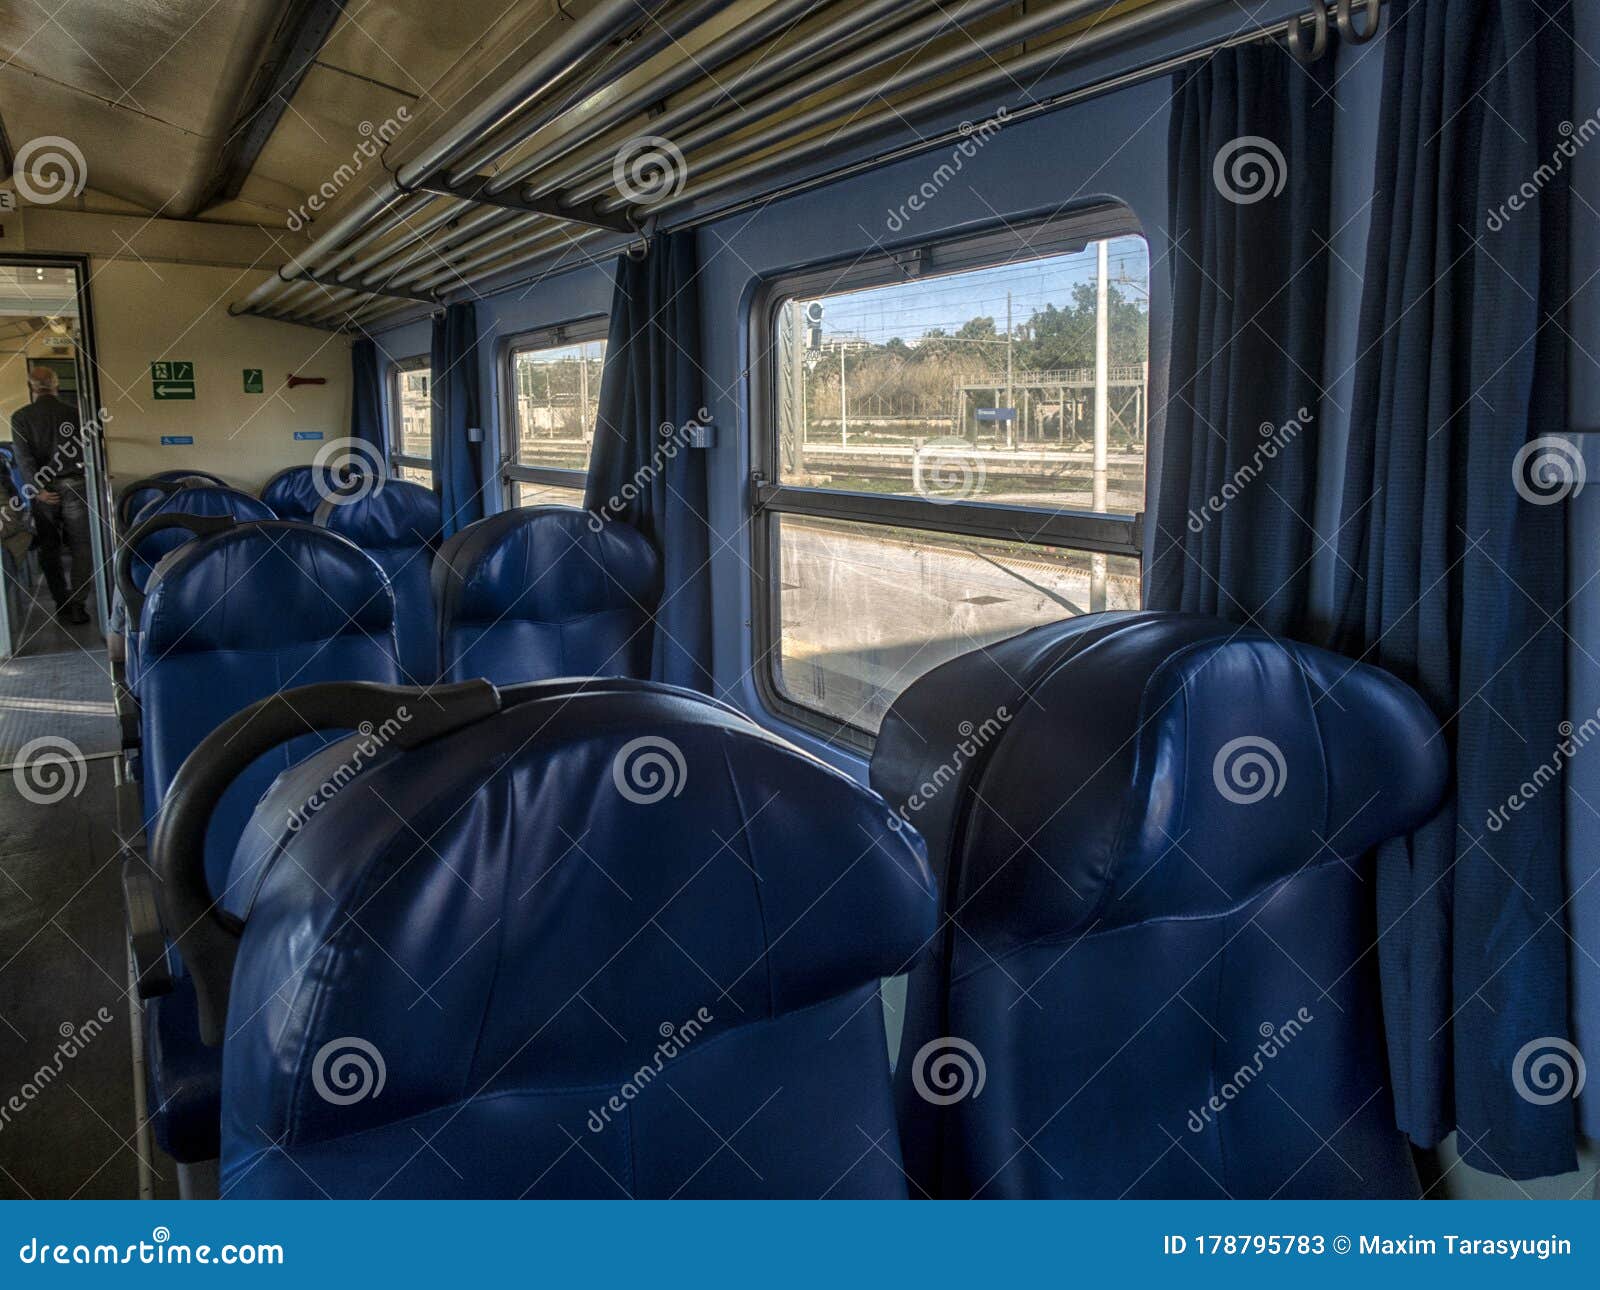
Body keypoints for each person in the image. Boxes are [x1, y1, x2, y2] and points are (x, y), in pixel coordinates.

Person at [11, 366, 93, 624]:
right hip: (75, 484)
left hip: (43, 489)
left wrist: (38, 490)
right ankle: (79, 604)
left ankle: (61, 602)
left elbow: (23, 458)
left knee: (50, 547)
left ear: (31, 387)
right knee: (82, 546)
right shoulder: (75, 414)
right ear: (56, 384)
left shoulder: (20, 417)